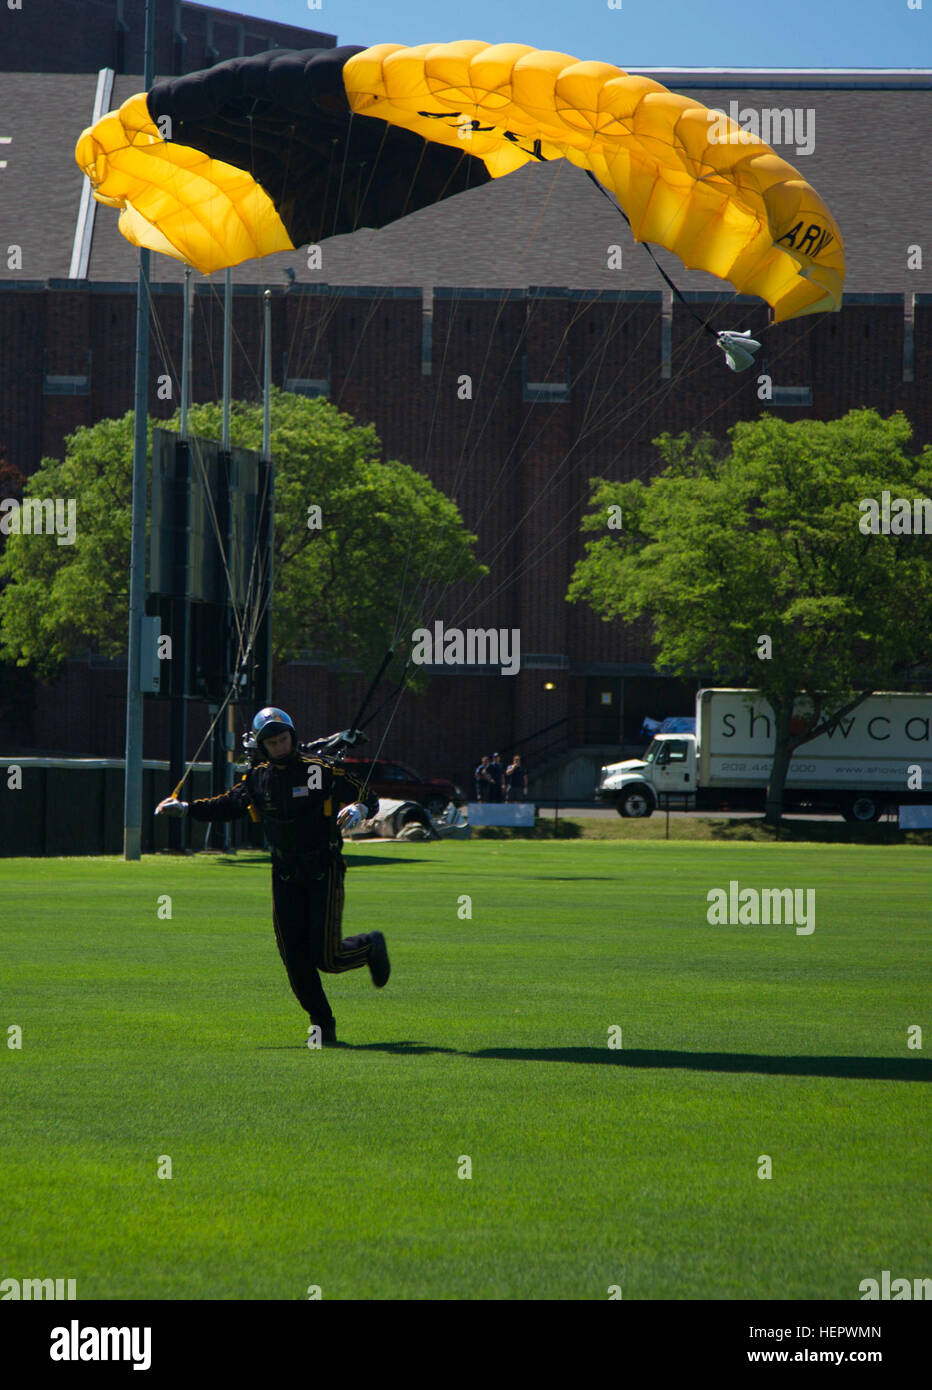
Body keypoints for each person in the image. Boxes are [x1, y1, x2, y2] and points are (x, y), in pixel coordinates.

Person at [155, 706, 387, 1047]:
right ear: (263, 747)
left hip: (323, 869)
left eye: (283, 739)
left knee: (327, 958)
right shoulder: (257, 779)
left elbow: (367, 795)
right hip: (284, 874)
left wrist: (360, 808)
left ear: (292, 736)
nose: (279, 746)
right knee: (294, 957)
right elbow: (226, 805)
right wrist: (187, 809)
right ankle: (322, 1027)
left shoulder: (317, 769)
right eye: (272, 742)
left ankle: (369, 947)